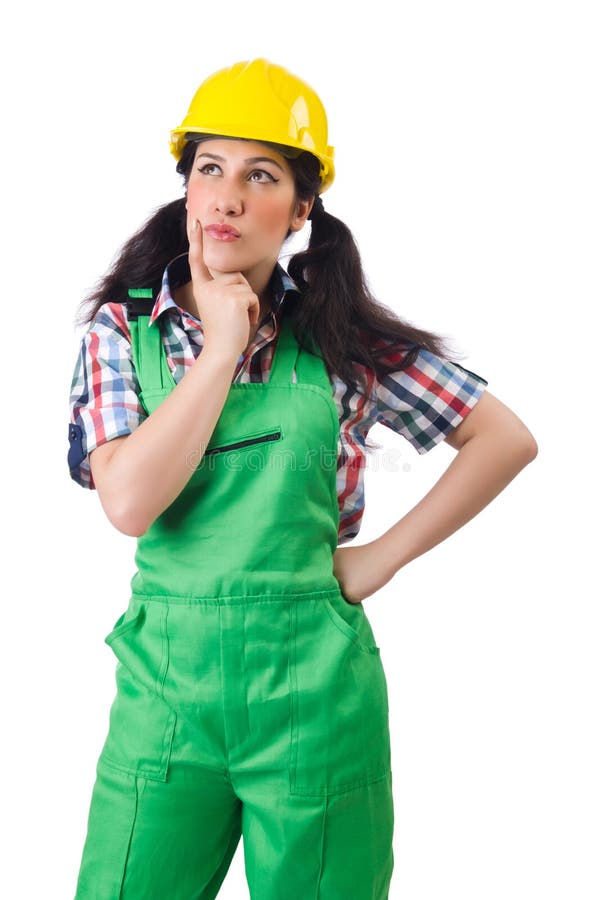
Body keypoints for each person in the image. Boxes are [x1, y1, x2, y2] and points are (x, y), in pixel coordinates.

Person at [67, 57, 538, 900]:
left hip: (316, 697)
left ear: (302, 208)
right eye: (209, 169)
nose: (227, 198)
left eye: (261, 175)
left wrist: (380, 558)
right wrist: (219, 348)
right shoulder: (124, 332)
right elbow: (130, 503)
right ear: (185, 191)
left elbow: (503, 439)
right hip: (165, 702)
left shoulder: (340, 338)